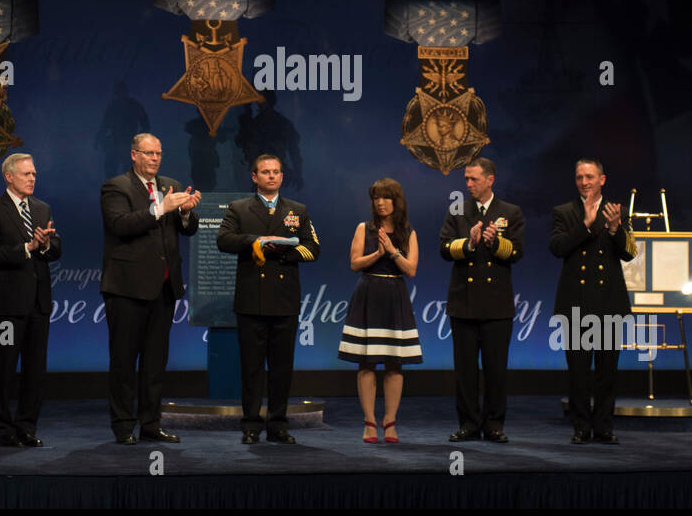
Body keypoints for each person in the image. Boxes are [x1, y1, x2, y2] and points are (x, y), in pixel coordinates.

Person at [99, 133, 200, 444]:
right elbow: (119, 225)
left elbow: (187, 228)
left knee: (155, 362)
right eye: (148, 153)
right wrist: (161, 209)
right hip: (127, 288)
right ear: (134, 155)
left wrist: (184, 212)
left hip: (163, 287)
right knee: (124, 362)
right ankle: (123, 426)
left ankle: (151, 424)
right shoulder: (116, 187)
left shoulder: (169, 183)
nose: (155, 158)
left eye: (158, 153)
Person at [217, 153, 319, 444]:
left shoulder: (297, 210)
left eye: (276, 172)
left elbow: (314, 248)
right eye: (265, 172)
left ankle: (278, 425)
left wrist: (284, 250)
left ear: (282, 176)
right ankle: (250, 425)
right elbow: (223, 240)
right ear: (254, 177)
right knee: (251, 368)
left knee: (281, 368)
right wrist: (254, 242)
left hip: (284, 300)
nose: (271, 176)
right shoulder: (239, 208)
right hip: (251, 301)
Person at [549, 158, 636, 444]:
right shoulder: (564, 212)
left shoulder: (617, 210)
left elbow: (629, 253)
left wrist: (614, 229)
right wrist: (586, 225)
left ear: (602, 179)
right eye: (579, 177)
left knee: (607, 372)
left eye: (589, 177)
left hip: (608, 303)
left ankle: (604, 426)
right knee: (578, 372)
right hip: (575, 303)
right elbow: (558, 248)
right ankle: (581, 427)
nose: (584, 182)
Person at [439, 157, 525, 443]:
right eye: (466, 179)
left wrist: (494, 243)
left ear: (490, 180)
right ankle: (468, 424)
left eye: (473, 179)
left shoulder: (510, 212)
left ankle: (494, 425)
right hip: (463, 303)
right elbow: (444, 248)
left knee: (495, 370)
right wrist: (470, 243)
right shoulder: (458, 211)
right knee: (464, 370)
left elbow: (517, 253)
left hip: (496, 306)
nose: (468, 184)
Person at [0, 152, 61, 448]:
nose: (32, 179)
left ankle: (27, 428)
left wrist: (47, 243)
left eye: (34, 174)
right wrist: (28, 246)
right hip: (9, 309)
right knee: (4, 368)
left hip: (39, 306)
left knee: (35, 371)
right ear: (9, 176)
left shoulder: (42, 208)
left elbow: (56, 249)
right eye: (26, 174)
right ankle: (3, 431)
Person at [339, 178, 421, 443]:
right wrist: (377, 254)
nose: (381, 202)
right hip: (369, 293)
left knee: (395, 364)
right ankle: (369, 422)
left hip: (395, 295)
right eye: (376, 198)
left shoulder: (408, 231)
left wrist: (393, 251)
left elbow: (411, 270)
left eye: (386, 197)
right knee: (367, 362)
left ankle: (391, 421)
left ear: (396, 201)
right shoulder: (364, 228)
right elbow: (354, 264)